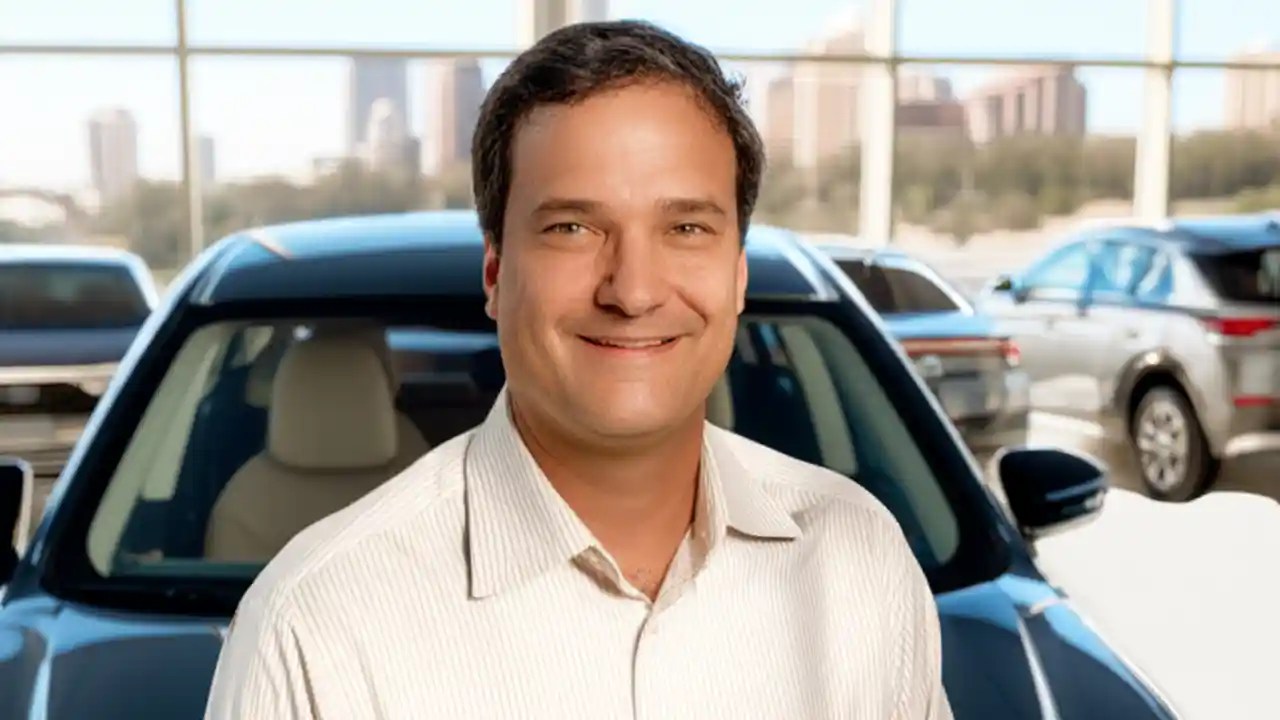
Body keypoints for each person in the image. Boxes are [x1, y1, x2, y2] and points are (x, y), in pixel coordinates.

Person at [204, 19, 951, 719]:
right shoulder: (315, 623)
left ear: (737, 276)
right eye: (573, 228)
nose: (632, 290)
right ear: (495, 273)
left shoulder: (858, 560)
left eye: (686, 227)